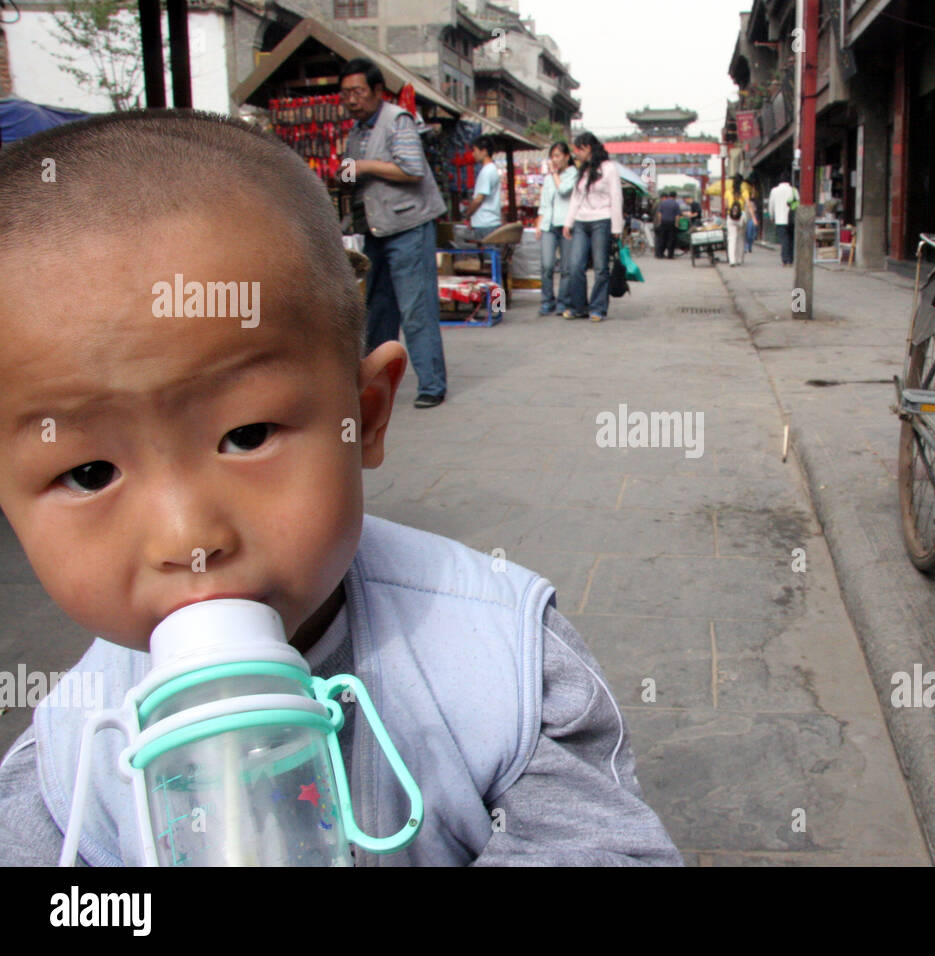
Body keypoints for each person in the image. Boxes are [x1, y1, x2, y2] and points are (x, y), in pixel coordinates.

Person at [0, 111, 682, 867]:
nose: (187, 537)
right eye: (89, 473)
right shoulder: (66, 754)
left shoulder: (501, 659)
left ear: (367, 416)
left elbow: (600, 848)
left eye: (248, 435)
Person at [340, 57, 448, 408]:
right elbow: (352, 175)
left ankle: (432, 384)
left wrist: (363, 167)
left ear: (376, 91)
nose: (352, 100)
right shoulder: (356, 131)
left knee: (417, 308)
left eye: (358, 91)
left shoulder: (396, 120)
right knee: (379, 309)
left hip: (409, 227)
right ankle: (376, 385)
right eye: (346, 94)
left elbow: (412, 169)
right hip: (376, 228)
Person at [563, 131, 623, 323]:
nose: (575, 155)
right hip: (581, 221)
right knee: (575, 266)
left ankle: (597, 308)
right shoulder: (583, 170)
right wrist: (568, 222)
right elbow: (576, 198)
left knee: (600, 268)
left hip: (602, 221)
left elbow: (616, 197)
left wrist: (616, 227)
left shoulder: (609, 168)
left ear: (587, 148)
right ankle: (579, 307)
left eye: (577, 150)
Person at [538, 140, 577, 316]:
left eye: (557, 156)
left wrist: (554, 174)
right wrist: (540, 222)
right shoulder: (547, 179)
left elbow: (563, 190)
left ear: (567, 157)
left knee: (566, 268)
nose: (554, 160)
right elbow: (544, 203)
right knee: (547, 265)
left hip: (566, 225)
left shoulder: (573, 174)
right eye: (552, 156)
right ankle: (547, 300)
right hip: (549, 225)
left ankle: (563, 301)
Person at [463, 134, 502, 240]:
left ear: (484, 151)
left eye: (475, 150)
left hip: (486, 223)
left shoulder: (487, 171)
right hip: (487, 222)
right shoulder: (490, 169)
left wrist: (468, 214)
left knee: (488, 255)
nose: (473, 154)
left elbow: (478, 199)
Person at [724, 173, 755, 267]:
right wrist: (754, 218)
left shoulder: (728, 192)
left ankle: (732, 261)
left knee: (731, 238)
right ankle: (740, 259)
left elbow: (726, 206)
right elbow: (749, 205)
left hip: (731, 217)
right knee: (741, 238)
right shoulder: (744, 192)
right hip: (741, 217)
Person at [769, 173, 797, 266]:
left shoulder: (774, 191)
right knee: (791, 240)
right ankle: (791, 259)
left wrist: (771, 216)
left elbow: (771, 205)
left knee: (784, 240)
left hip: (780, 219)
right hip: (792, 219)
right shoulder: (793, 190)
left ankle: (785, 260)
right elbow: (799, 203)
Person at [654, 189, 681, 259]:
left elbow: (659, 213)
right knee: (671, 239)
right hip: (672, 223)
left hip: (663, 222)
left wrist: (660, 222)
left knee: (662, 238)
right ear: (675, 197)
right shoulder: (676, 204)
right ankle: (670, 255)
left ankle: (660, 254)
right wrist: (676, 224)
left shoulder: (663, 203)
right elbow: (677, 215)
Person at [744, 176, 760, 253]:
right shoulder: (745, 192)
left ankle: (749, 246)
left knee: (751, 233)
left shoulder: (753, 191)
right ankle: (747, 246)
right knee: (747, 233)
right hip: (747, 215)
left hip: (752, 216)